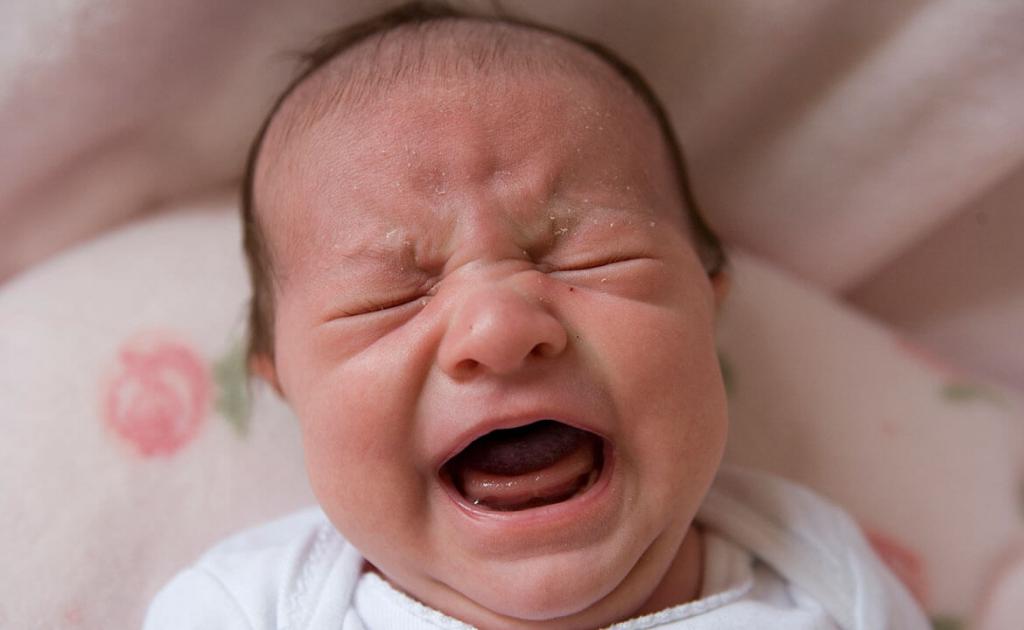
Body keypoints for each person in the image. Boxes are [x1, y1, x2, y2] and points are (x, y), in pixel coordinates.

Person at [145, 3, 928, 628]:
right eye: (387, 296)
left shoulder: (817, 574)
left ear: (706, 307)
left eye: (588, 255)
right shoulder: (252, 607)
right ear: (285, 385)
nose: (499, 328)